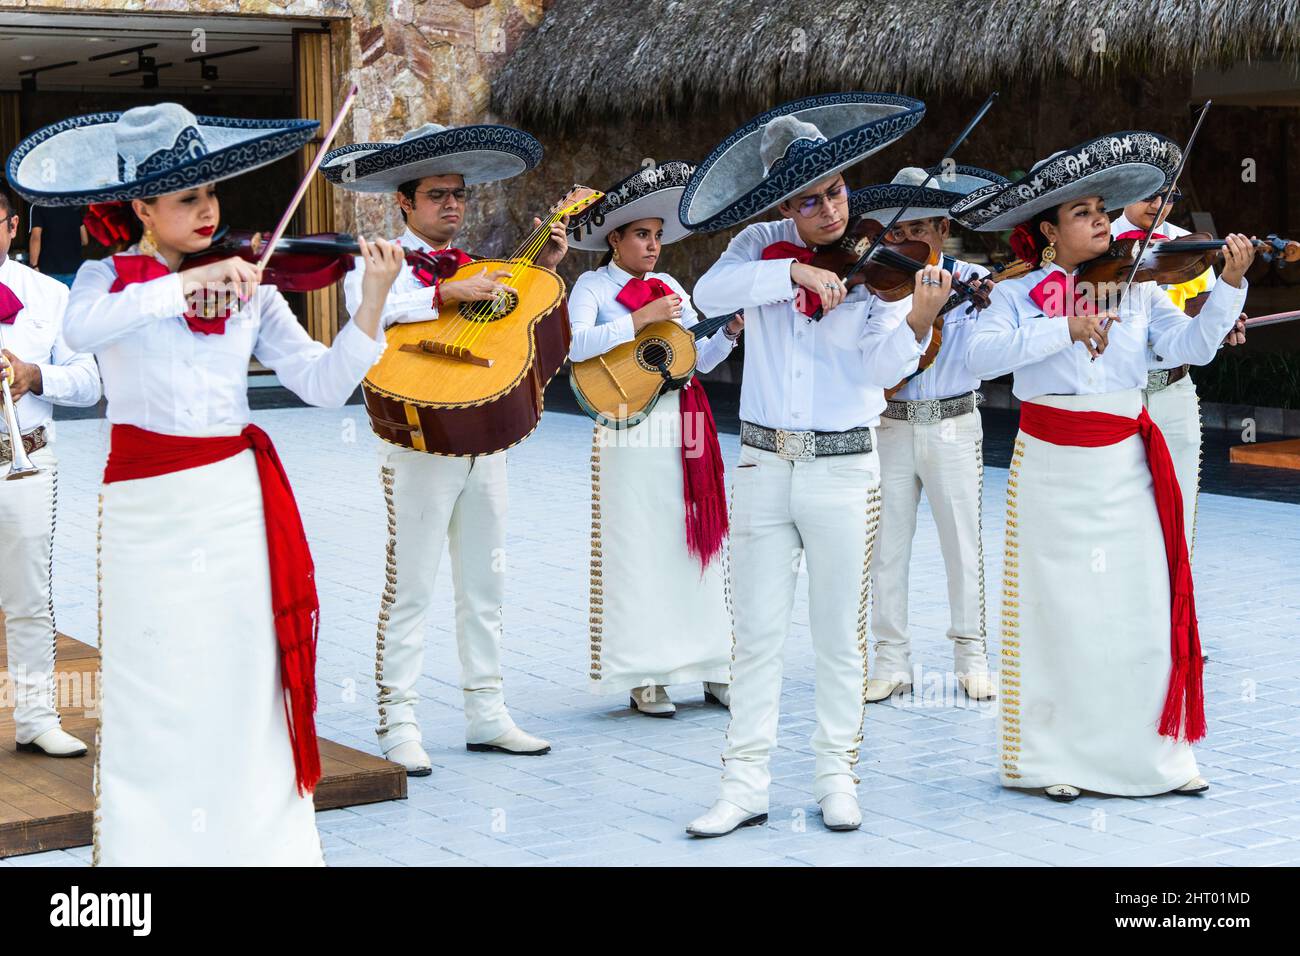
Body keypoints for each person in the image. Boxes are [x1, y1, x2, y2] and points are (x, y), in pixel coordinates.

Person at [8, 103, 403, 864]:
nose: (208, 210)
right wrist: (183, 289)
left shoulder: (252, 284)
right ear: (143, 208)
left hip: (233, 506)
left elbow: (321, 385)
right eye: (187, 197)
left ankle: (256, 845)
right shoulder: (104, 281)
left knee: (243, 684)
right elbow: (84, 334)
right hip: (145, 511)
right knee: (152, 685)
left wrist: (374, 304)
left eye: (212, 193)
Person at [675, 92, 951, 836]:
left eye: (834, 193)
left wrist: (919, 317)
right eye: (809, 201)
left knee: (838, 635)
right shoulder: (756, 246)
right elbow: (707, 292)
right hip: (764, 464)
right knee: (757, 634)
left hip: (842, 467)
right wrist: (790, 276)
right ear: (784, 205)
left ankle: (837, 776)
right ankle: (744, 785)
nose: (829, 212)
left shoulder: (876, 260)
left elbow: (882, 367)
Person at [951, 130, 1255, 801]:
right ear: (1049, 233)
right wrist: (1064, 326)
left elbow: (1191, 348)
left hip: (1127, 464)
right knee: (1057, 616)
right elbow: (979, 360)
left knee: (1139, 610)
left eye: (1099, 210)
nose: (1101, 222)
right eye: (1084, 213)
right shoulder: (1016, 295)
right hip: (1052, 468)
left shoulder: (1138, 285)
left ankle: (1156, 759)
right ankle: (1051, 759)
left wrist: (1228, 285)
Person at [323, 122, 561, 776]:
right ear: (404, 202)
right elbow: (362, 314)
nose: (452, 206)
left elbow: (507, 334)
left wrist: (537, 273)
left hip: (484, 435)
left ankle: (487, 711)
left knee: (486, 580)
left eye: (458, 195)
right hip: (417, 439)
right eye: (437, 196)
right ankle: (397, 719)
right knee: (413, 583)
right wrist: (442, 293)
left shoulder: (480, 266)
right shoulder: (373, 264)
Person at [566, 161, 742, 717]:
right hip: (626, 422)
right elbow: (574, 349)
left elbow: (695, 359)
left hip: (684, 418)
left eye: (658, 236)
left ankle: (713, 664)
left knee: (698, 541)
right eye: (642, 235)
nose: (653, 245)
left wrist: (730, 334)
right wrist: (639, 321)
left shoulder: (672, 288)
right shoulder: (592, 286)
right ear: (614, 238)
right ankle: (647, 675)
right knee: (640, 545)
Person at [849, 166, 1007, 703]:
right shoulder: (882, 280)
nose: (904, 241)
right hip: (891, 424)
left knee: (962, 544)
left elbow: (982, 359)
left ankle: (972, 656)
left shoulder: (976, 281)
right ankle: (891, 659)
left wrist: (974, 302)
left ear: (942, 227)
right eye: (896, 232)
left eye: (918, 229)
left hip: (954, 421)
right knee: (887, 547)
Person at [0, 185, 101, 758]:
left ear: (13, 227)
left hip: (26, 461)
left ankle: (36, 718)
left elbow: (90, 385)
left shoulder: (51, 296)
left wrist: (36, 376)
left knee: (29, 598)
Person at [1112, 192, 1246, 553]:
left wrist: (1221, 327)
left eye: (1169, 197)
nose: (1158, 205)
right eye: (1146, 196)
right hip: (1120, 396)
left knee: (1179, 510)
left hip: (1175, 389)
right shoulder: (1098, 245)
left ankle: (1175, 602)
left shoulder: (1191, 248)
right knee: (1118, 512)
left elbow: (1199, 328)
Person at [29, 203, 87, 287]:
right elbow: (85, 240)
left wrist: (33, 265)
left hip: (49, 271)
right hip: (75, 270)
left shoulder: (39, 205)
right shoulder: (73, 204)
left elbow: (36, 237)